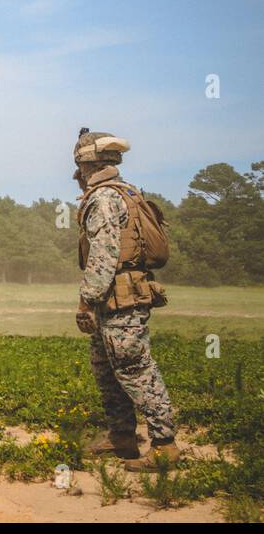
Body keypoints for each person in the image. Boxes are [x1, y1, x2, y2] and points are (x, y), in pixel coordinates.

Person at [73, 129, 179, 471]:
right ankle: (122, 437)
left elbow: (103, 255)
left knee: (135, 369)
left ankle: (164, 446)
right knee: (106, 369)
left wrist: (86, 300)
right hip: (118, 297)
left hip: (119, 299)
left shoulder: (104, 198)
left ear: (87, 163)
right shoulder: (126, 191)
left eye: (79, 164)